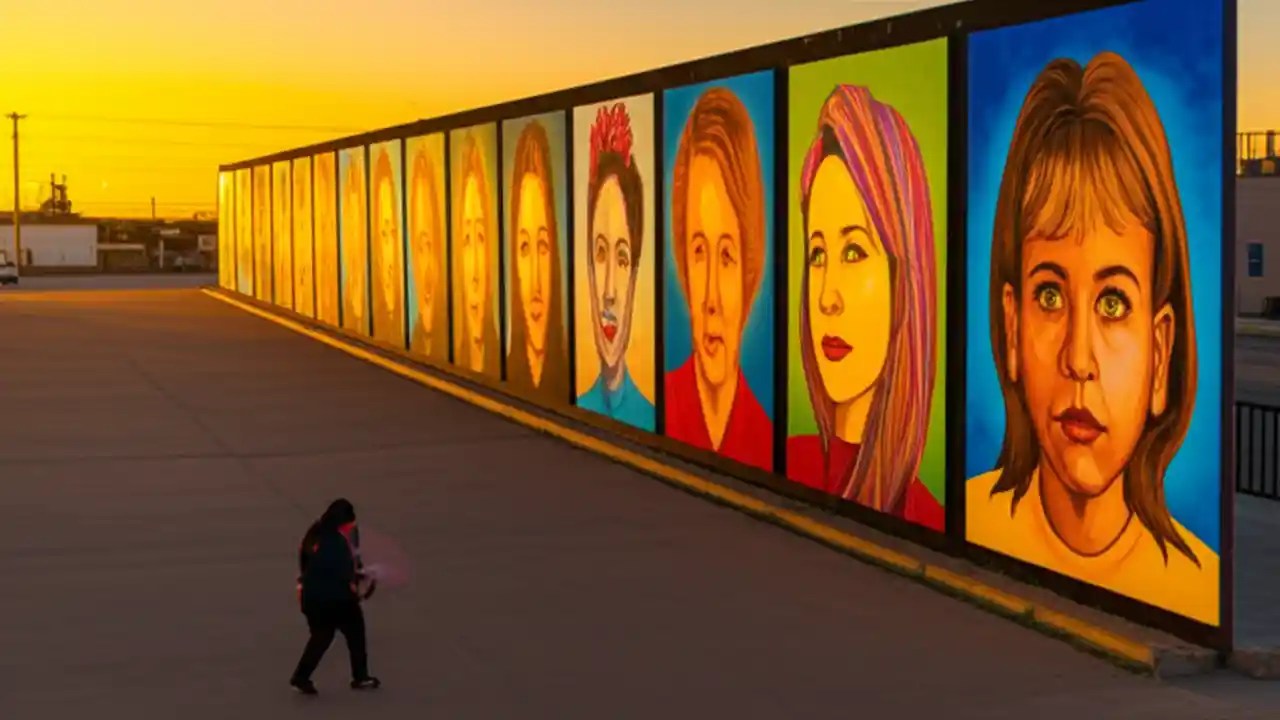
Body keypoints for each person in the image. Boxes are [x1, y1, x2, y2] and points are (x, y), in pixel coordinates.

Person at [965, 52, 1218, 625]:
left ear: (1161, 352)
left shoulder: (1195, 582)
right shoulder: (968, 516)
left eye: (1112, 304)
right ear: (1011, 327)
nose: (1079, 359)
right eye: (1050, 295)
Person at [787, 84, 943, 531]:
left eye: (854, 252)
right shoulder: (792, 460)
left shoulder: (927, 518)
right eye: (818, 255)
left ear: (904, 274)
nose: (826, 297)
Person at [664, 87, 772, 471]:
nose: (710, 296)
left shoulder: (769, 442)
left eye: (726, 255)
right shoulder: (659, 407)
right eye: (698, 251)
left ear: (749, 268)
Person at [577, 102, 655, 430]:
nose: (609, 292)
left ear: (636, 276)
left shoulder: (651, 418)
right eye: (599, 253)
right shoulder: (581, 405)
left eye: (622, 259)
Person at [290, 498, 381, 695]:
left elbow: (306, 563)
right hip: (337, 599)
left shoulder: (315, 532)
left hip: (312, 598)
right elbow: (342, 569)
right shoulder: (336, 540)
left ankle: (301, 676)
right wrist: (360, 578)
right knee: (355, 633)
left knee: (321, 636)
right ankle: (360, 676)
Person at [507, 119, 569, 401]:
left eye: (543, 246)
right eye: (523, 247)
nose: (535, 285)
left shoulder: (572, 380)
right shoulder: (507, 369)